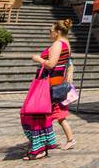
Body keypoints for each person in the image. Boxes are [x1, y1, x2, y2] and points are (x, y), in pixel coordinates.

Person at [20, 19, 73, 158]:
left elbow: (51, 64)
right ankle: (41, 146)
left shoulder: (57, 44)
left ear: (58, 32)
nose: (49, 33)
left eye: (51, 30)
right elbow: (67, 62)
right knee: (43, 115)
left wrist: (38, 59)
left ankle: (40, 148)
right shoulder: (66, 43)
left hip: (48, 84)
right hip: (55, 82)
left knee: (35, 113)